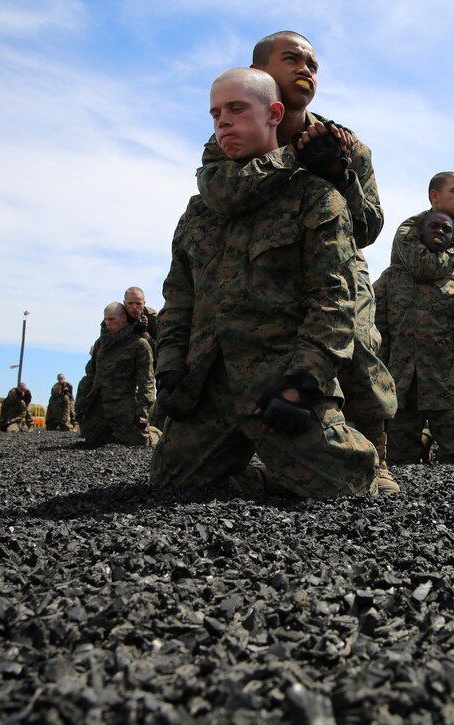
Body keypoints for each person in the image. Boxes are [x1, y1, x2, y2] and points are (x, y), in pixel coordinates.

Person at [150, 68, 377, 497]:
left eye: (237, 109)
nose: (223, 122)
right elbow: (179, 300)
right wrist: (170, 369)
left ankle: (348, 453)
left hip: (278, 383)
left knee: (345, 486)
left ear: (275, 114)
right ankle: (262, 478)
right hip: (210, 384)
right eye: (216, 113)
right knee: (170, 482)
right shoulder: (199, 211)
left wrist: (302, 385)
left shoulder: (315, 197)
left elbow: (334, 301)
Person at [199, 31, 398, 493]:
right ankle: (244, 457)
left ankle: (374, 460)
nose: (306, 69)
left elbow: (368, 228)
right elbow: (223, 195)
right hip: (256, 265)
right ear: (261, 72)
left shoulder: (346, 145)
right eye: (292, 60)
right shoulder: (230, 136)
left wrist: (339, 175)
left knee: (361, 347)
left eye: (312, 63)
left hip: (334, 264)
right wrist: (294, 157)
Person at [375, 211, 454, 464]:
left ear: (452, 240)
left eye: (447, 229)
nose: (439, 231)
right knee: (398, 465)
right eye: (433, 226)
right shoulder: (391, 279)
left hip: (448, 392)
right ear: (420, 233)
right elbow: (378, 339)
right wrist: (375, 394)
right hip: (400, 391)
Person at [77, 303, 160, 447]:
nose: (107, 323)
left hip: (124, 405)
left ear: (123, 318)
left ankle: (157, 433)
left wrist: (142, 413)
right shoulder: (101, 344)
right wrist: (82, 405)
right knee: (92, 440)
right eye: (106, 320)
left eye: (112, 319)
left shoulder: (139, 345)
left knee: (139, 441)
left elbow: (146, 381)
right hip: (100, 406)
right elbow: (90, 374)